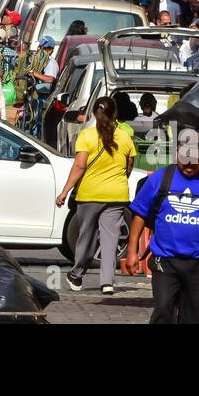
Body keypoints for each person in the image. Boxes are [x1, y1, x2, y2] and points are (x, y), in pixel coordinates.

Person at [126, 135, 199, 324]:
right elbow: (140, 214)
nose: (189, 166)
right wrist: (132, 251)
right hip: (165, 261)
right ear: (177, 155)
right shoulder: (161, 179)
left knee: (195, 316)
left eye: (193, 161)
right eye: (185, 160)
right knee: (163, 310)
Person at [57, 96, 136, 295]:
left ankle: (76, 274)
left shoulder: (87, 136)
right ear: (114, 114)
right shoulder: (125, 137)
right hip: (117, 195)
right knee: (111, 239)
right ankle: (107, 282)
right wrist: (116, 181)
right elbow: (129, 167)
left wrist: (65, 191)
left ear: (94, 113)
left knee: (87, 236)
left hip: (89, 194)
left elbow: (79, 166)